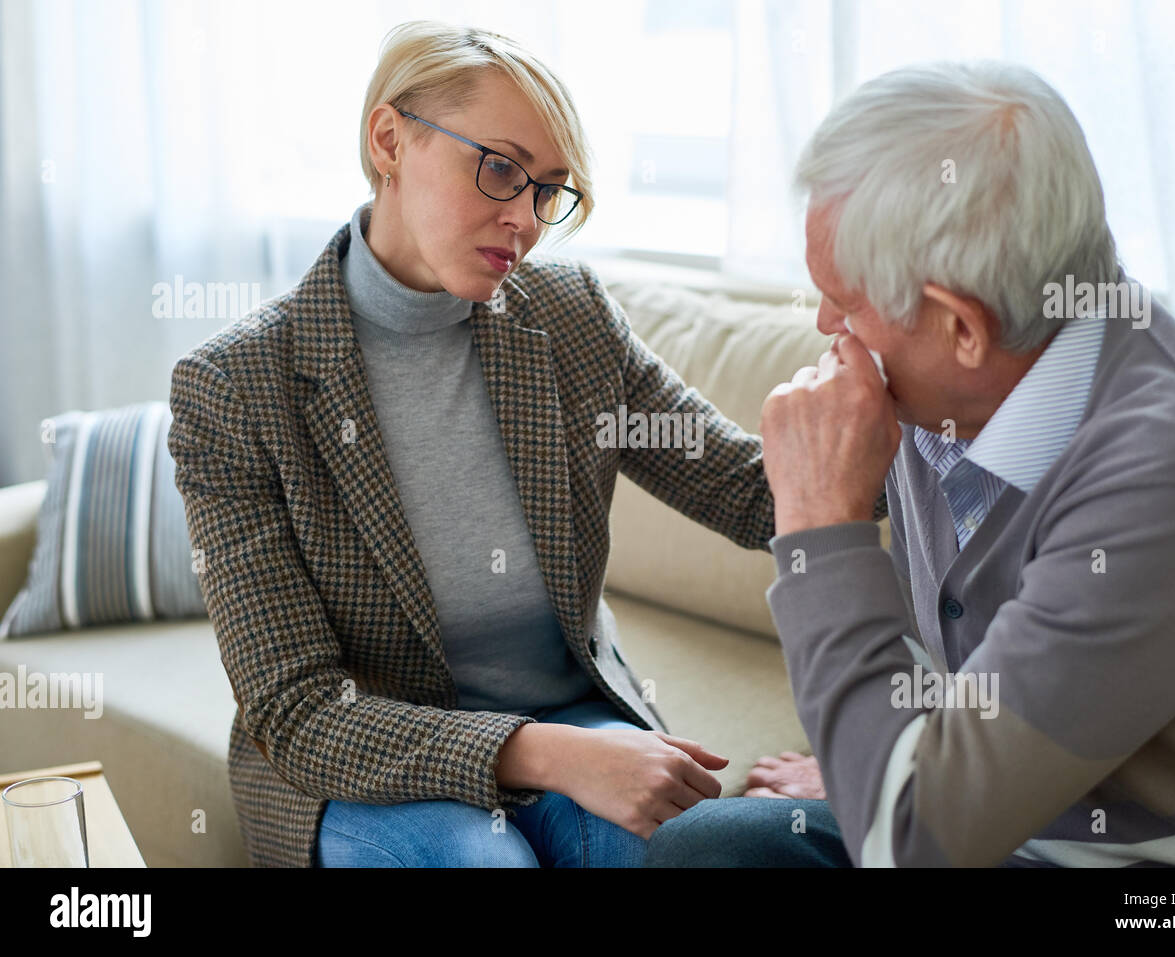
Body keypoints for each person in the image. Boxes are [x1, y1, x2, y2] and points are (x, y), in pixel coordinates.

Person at [646, 61, 1175, 867]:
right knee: (706, 850)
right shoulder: (964, 382)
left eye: (844, 303)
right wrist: (875, 755)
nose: (824, 326)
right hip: (995, 809)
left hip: (1170, 878)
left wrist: (822, 522)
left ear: (961, 326)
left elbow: (914, 845)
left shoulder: (1170, 479)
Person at [166, 21, 782, 868]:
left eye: (547, 191)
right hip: (373, 765)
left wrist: (946, 428)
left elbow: (751, 492)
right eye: (499, 167)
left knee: (678, 855)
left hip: (576, 719)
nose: (524, 219)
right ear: (390, 140)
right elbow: (297, 709)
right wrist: (548, 752)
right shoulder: (236, 386)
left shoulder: (570, 321)